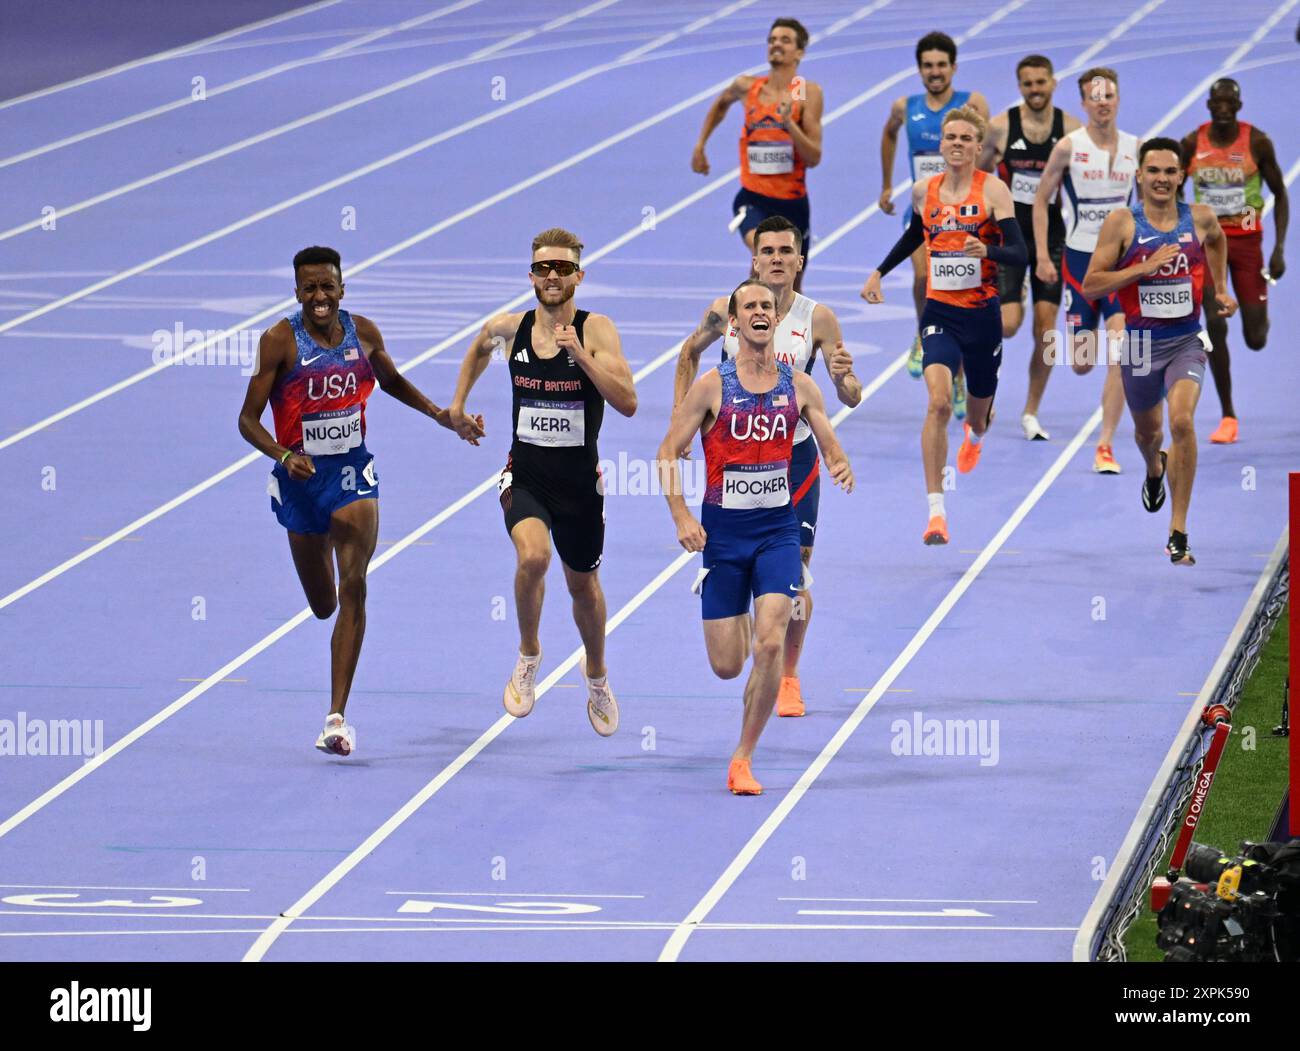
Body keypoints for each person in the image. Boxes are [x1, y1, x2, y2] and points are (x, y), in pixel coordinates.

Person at [237, 246, 481, 756]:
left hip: (351, 472)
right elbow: (247, 420)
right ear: (297, 292)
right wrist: (283, 455)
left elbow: (390, 381)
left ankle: (336, 719)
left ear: (342, 288)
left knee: (355, 586)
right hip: (301, 478)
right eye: (310, 288)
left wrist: (441, 414)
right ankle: (319, 543)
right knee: (324, 604)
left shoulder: (363, 333)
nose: (320, 296)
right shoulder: (279, 341)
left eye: (328, 286)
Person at [659, 279, 853, 794]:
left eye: (768, 305)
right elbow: (666, 453)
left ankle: (743, 757)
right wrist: (681, 516)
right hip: (723, 538)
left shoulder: (799, 385)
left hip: (776, 534)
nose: (762, 312)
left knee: (769, 644)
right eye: (751, 307)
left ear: (775, 319)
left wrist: (838, 463)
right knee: (727, 665)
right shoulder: (711, 386)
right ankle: (740, 607)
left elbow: (829, 441)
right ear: (736, 321)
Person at [448, 228, 637, 735]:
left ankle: (595, 673)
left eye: (561, 267)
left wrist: (582, 358)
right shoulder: (513, 328)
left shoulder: (598, 331)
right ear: (531, 275)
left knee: (583, 587)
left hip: (580, 487)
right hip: (525, 475)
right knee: (533, 556)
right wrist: (458, 406)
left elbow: (628, 402)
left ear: (579, 274)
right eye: (542, 268)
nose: (552, 275)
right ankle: (529, 654)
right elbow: (479, 345)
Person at [672, 215, 862, 717]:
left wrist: (845, 382)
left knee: (795, 574)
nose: (776, 259)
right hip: (734, 453)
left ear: (800, 262)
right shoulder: (725, 311)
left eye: (786, 251)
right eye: (768, 251)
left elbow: (849, 395)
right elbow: (688, 353)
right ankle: (729, 593)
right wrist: (682, 420)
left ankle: (788, 674)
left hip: (793, 458)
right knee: (730, 654)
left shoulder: (817, 318)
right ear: (753, 260)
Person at [862, 107, 1025, 545]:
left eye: (965, 138)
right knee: (936, 403)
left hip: (983, 316)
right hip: (940, 314)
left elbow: (1020, 253)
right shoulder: (923, 191)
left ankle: (976, 432)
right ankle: (936, 513)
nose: (956, 143)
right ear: (942, 144)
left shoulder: (994, 192)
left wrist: (986, 252)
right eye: (950, 137)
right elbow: (915, 235)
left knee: (978, 416)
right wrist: (879, 271)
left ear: (977, 146)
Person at [1082, 138, 1237, 565]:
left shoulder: (1200, 218)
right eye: (1154, 171)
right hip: (1139, 347)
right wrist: (1142, 268)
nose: (1162, 179)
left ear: (1181, 176)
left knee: (1182, 422)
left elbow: (1219, 241)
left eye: (1170, 172)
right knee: (1149, 435)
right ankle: (1155, 469)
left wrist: (1220, 289)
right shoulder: (1121, 223)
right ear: (1139, 176)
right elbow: (1091, 283)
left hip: (1187, 341)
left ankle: (1179, 531)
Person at [879, 30, 989, 418]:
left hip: (965, 214)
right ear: (920, 69)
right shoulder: (903, 107)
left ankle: (957, 373)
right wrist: (887, 183)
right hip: (925, 212)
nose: (935, 71)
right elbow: (888, 135)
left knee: (956, 293)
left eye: (942, 64)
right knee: (925, 280)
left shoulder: (971, 104)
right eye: (928, 65)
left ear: (953, 67)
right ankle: (924, 333)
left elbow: (986, 150)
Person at [1033, 67, 1137, 474]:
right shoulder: (1067, 148)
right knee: (1079, 362)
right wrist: (1043, 255)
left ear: (1117, 98)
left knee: (1125, 350)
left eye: (1109, 94)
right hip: (1078, 264)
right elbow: (1041, 201)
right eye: (1095, 96)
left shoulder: (1136, 148)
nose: (1103, 102)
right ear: (1084, 103)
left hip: (1122, 265)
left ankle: (1105, 444)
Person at [1180, 78, 1289, 444]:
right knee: (1213, 325)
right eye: (1218, 102)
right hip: (1208, 243)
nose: (1223, 107)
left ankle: (1254, 305)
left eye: (1230, 102)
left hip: (1246, 244)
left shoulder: (1256, 142)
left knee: (1255, 338)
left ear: (1238, 107)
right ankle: (1228, 414)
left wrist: (1278, 249)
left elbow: (1281, 195)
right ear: (1209, 105)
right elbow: (1171, 188)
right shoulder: (1192, 144)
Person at [978, 54, 1080, 440]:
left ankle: (1031, 412)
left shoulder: (1071, 131)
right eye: (1028, 84)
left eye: (1041, 82)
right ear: (1020, 86)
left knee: (1045, 330)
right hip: (1008, 236)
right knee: (1005, 325)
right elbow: (981, 175)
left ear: (1053, 83)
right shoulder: (1001, 128)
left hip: (1052, 238)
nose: (1035, 90)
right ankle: (983, 391)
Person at [691, 18, 823, 292]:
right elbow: (721, 104)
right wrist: (701, 144)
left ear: (799, 52)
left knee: (792, 285)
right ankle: (743, 326)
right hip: (753, 198)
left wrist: (789, 125)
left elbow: (813, 157)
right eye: (772, 39)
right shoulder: (747, 87)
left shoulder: (806, 93)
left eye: (785, 40)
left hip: (793, 204)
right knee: (767, 257)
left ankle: (779, 328)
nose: (776, 44)